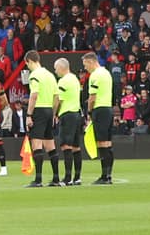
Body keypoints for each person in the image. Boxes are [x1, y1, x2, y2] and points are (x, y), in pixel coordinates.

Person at [23, 50, 56, 189]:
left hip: (39, 110)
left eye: (27, 64)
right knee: (50, 145)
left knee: (36, 143)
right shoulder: (49, 74)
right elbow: (56, 96)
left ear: (29, 61)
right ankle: (56, 178)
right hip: (49, 109)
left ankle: (38, 179)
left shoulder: (34, 75)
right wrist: (53, 114)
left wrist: (29, 115)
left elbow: (34, 95)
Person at [82, 52, 116, 186]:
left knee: (101, 143)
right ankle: (108, 175)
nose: (85, 68)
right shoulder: (106, 73)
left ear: (91, 62)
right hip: (108, 108)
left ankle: (104, 176)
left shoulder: (95, 75)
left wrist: (89, 112)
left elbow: (92, 97)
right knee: (107, 143)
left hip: (100, 110)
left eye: (85, 65)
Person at [52, 57, 84, 188]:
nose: (55, 71)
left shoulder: (63, 81)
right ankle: (77, 177)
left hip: (67, 114)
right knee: (76, 146)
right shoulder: (75, 79)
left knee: (66, 146)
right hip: (77, 114)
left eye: (56, 68)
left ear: (61, 67)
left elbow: (59, 100)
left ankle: (67, 178)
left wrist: (54, 113)